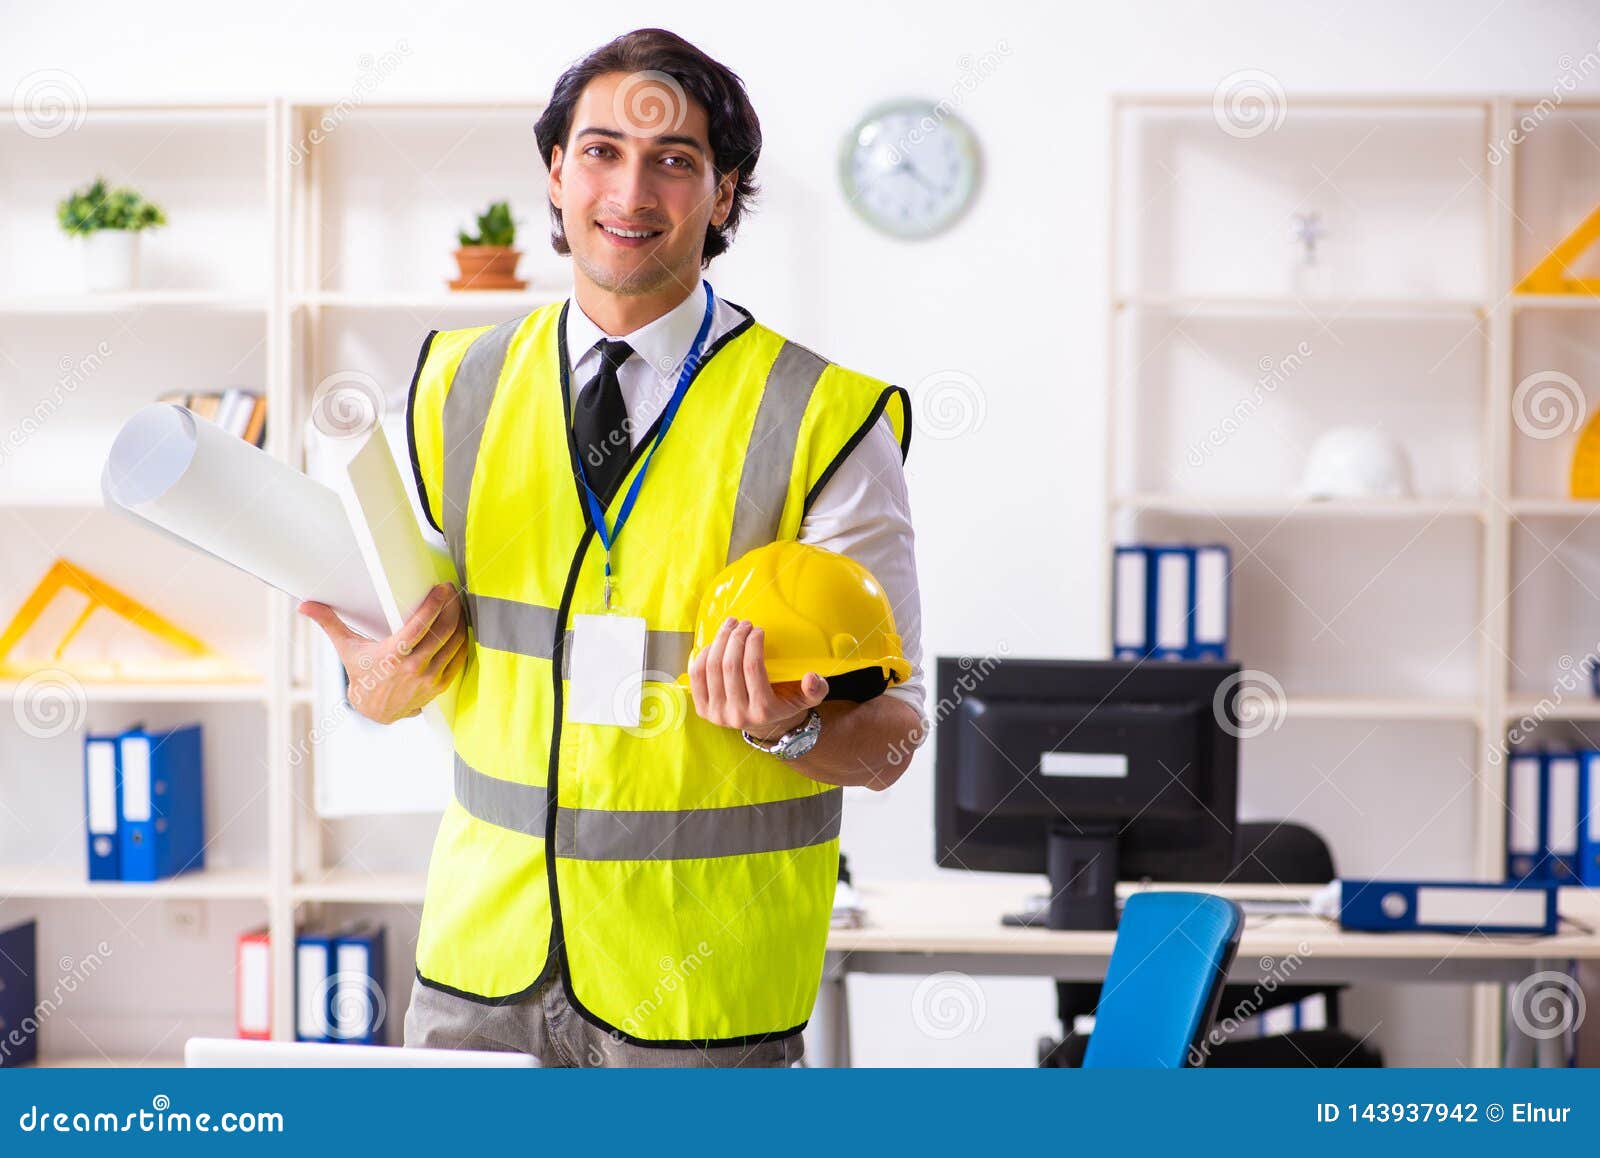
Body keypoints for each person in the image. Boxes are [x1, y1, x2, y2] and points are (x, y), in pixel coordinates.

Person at [298, 26, 925, 1068]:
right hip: (477, 978)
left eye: (674, 160)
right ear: (554, 172)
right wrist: (373, 684)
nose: (630, 191)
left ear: (724, 196)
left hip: (702, 1000)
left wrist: (790, 732)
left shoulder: (823, 416)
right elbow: (376, 681)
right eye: (600, 151)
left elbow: (896, 738)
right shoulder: (453, 385)